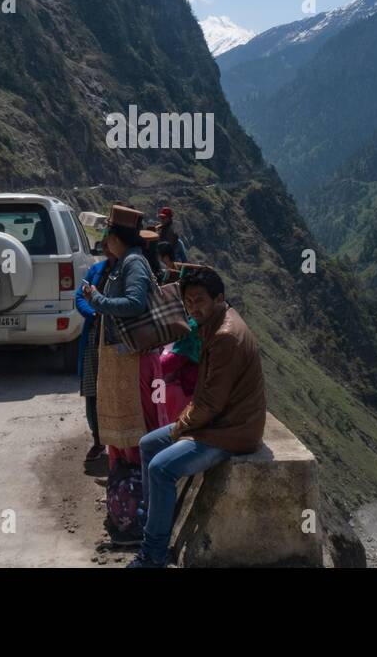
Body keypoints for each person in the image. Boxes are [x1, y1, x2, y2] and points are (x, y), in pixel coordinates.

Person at [129, 266, 266, 568]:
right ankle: (156, 528)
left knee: (161, 468)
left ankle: (152, 556)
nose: (194, 308)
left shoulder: (226, 336)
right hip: (217, 422)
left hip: (231, 431)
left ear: (219, 298)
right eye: (189, 302)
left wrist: (181, 427)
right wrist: (184, 425)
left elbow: (211, 404)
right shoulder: (214, 324)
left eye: (200, 300)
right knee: (149, 444)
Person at [81, 204, 159, 545]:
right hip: (119, 360)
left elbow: (135, 303)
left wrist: (97, 300)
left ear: (116, 238)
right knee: (122, 433)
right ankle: (124, 506)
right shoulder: (121, 264)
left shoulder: (134, 263)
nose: (104, 242)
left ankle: (137, 513)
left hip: (133, 362)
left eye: (108, 236)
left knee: (136, 430)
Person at [76, 253, 113, 463]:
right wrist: (93, 313)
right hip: (93, 336)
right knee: (92, 391)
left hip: (116, 338)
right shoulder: (95, 270)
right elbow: (80, 295)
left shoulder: (129, 270)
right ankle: (98, 439)